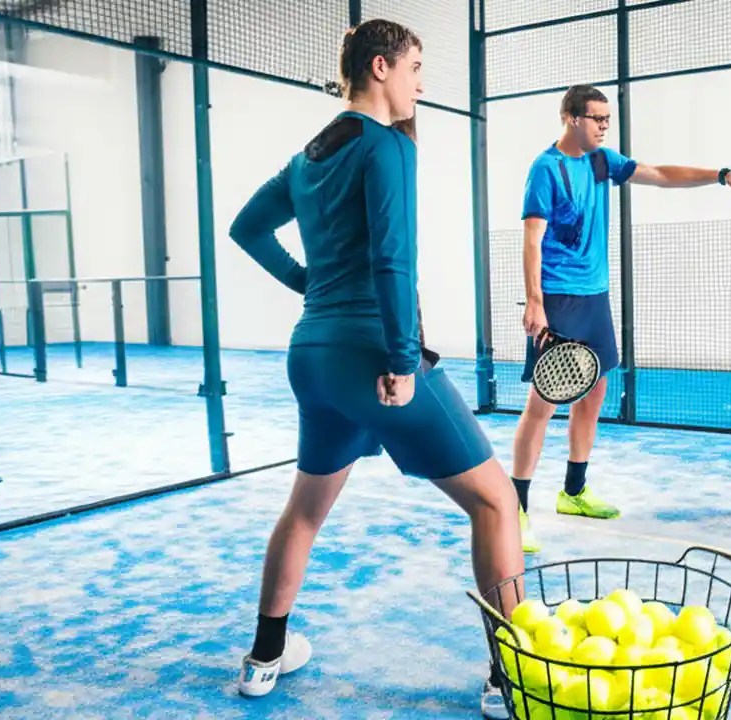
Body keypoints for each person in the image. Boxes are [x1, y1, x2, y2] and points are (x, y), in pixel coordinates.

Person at [225, 20, 523, 714]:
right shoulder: (387, 146)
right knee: (496, 502)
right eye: (417, 66)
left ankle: (265, 657)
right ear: (381, 66)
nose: (422, 82)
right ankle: (508, 677)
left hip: (314, 357)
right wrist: (401, 360)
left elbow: (246, 229)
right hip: (373, 357)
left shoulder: (307, 158)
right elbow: (394, 259)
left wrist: (309, 284)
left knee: (303, 510)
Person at [511, 84, 731, 553]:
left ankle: (573, 492)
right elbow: (532, 238)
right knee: (543, 403)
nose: (605, 126)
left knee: (595, 391)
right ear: (571, 118)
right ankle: (517, 509)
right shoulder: (545, 169)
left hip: (595, 296)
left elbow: (660, 173)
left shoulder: (603, 161)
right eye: (597, 119)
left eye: (608, 119)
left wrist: (722, 175)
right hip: (559, 298)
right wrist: (535, 301)